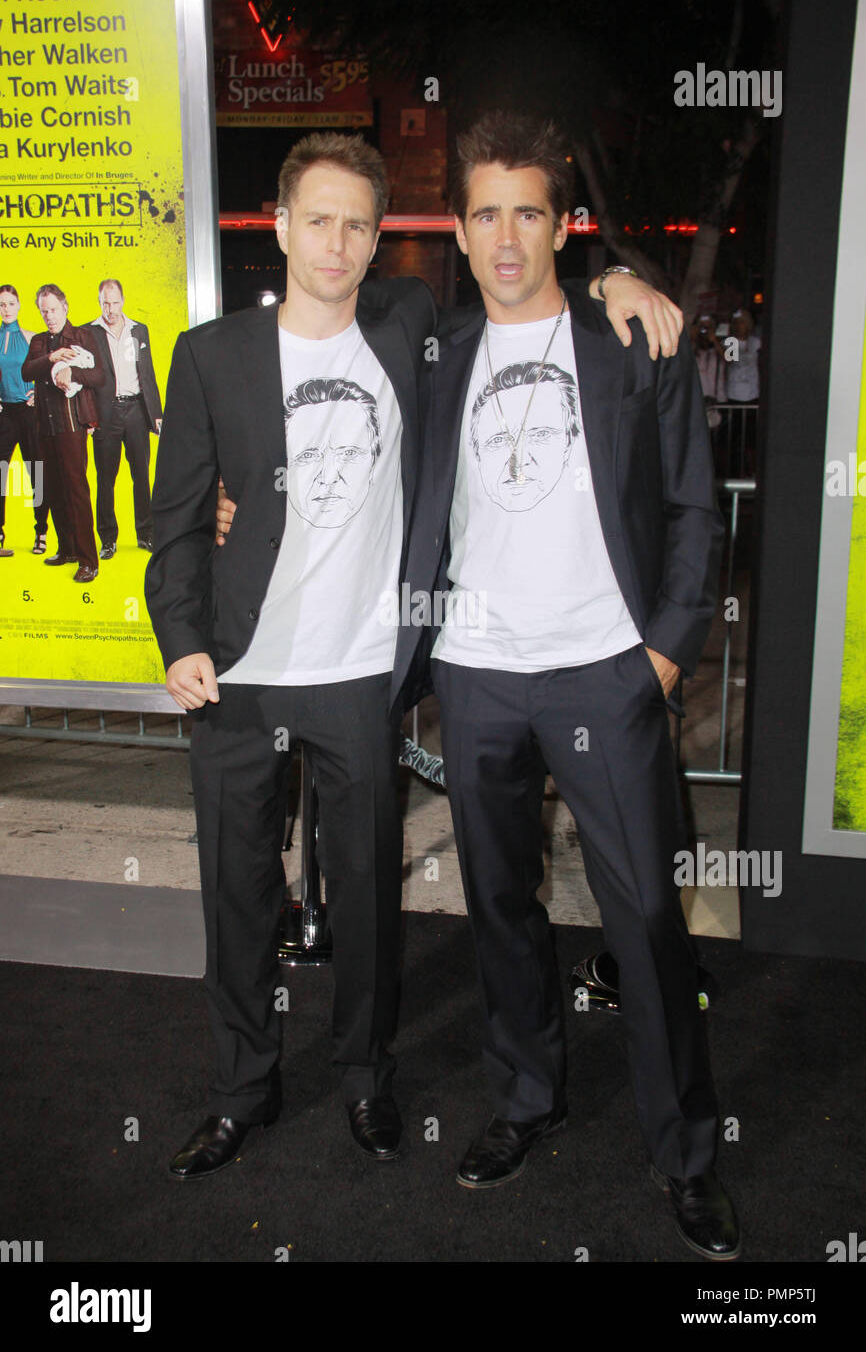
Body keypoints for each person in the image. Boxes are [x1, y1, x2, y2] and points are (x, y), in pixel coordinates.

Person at [149, 131, 679, 1183]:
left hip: (359, 674)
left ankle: (363, 1081)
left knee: (366, 901)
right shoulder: (210, 354)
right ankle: (241, 1091)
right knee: (237, 894)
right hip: (240, 674)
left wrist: (618, 271)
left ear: (379, 237)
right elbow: (173, 519)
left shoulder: (408, 331)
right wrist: (181, 639)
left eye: (357, 224)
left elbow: (529, 281)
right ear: (279, 223)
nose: (336, 244)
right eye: (317, 220)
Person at [394, 112, 739, 1261]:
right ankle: (523, 1098)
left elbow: (694, 506)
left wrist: (660, 652)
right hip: (478, 676)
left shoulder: (627, 345)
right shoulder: (433, 350)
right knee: (498, 910)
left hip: (605, 674)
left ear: (561, 222)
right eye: (482, 212)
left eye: (527, 211)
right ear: (456, 226)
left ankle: (685, 1154)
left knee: (643, 920)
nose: (503, 236)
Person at [22, 285, 103, 583]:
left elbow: (100, 375)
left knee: (77, 491)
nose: (49, 316)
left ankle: (88, 560)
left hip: (72, 425)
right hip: (45, 426)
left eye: (53, 309)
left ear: (65, 307)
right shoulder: (41, 342)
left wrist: (74, 373)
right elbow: (27, 371)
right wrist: (53, 357)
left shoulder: (82, 336)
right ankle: (67, 549)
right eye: (44, 311)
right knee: (54, 490)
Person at [90, 279, 163, 559]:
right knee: (105, 479)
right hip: (105, 415)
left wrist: (156, 414)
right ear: (100, 302)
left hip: (136, 412)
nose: (111, 308)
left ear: (123, 299)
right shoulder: (89, 333)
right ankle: (108, 540)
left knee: (141, 477)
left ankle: (145, 535)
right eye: (105, 302)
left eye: (115, 301)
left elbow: (148, 375)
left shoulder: (138, 330)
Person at [0, 284, 50, 557]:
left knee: (37, 474)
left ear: (18, 306)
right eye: (1, 305)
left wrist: (38, 395)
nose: (6, 309)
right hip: (4, 414)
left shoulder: (32, 338)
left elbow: (47, 373)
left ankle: (41, 531)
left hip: (29, 413)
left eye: (10, 303)